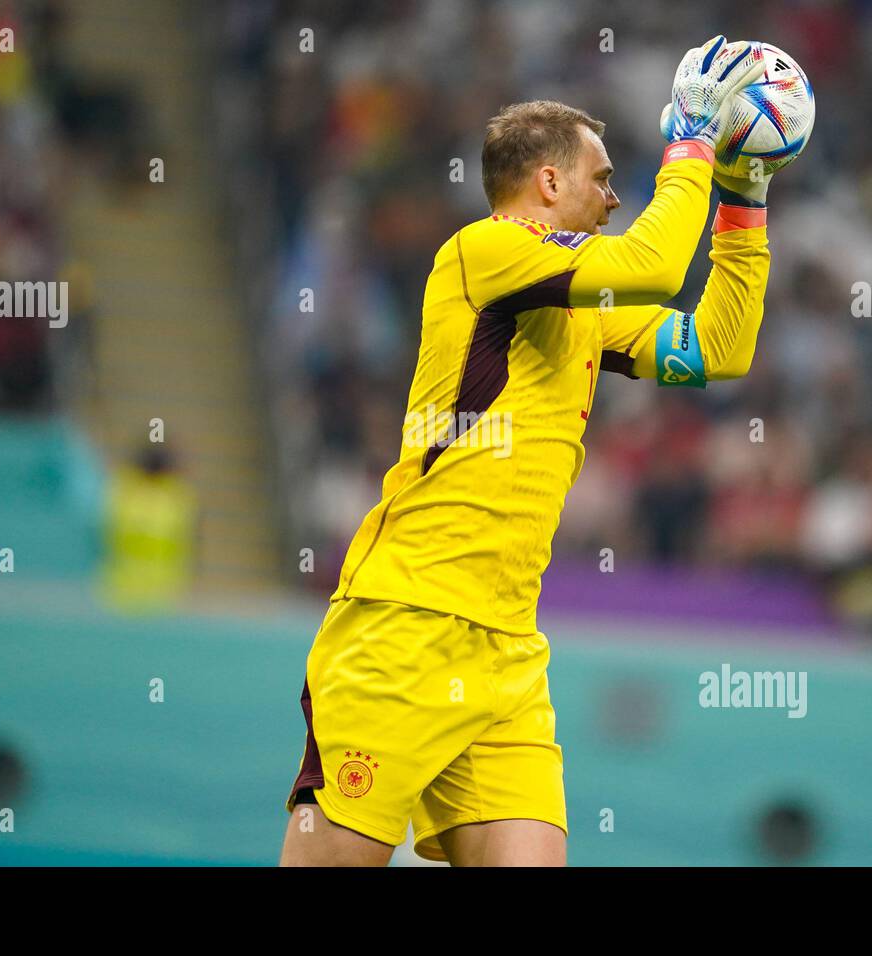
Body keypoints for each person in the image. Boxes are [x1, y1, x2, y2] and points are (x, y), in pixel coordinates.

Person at [280, 37, 775, 866]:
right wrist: (691, 136)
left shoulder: (584, 305)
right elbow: (653, 265)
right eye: (604, 179)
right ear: (548, 183)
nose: (617, 198)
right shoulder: (485, 250)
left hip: (507, 650)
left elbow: (717, 349)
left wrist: (743, 195)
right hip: (405, 623)